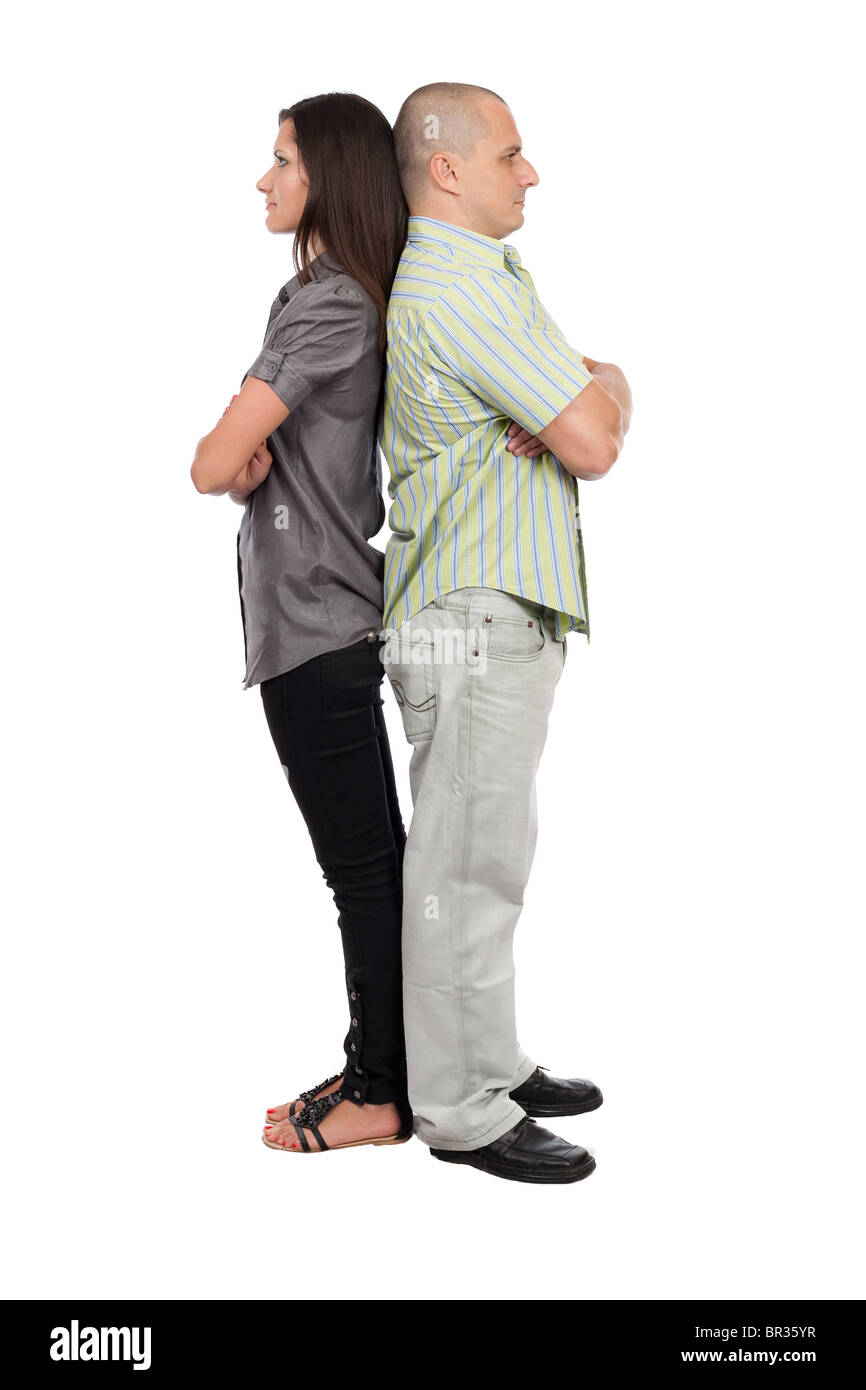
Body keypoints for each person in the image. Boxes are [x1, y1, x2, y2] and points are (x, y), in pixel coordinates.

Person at [377, 82, 633, 1183]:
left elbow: (580, 413)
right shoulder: (456, 285)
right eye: (511, 154)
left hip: (485, 607)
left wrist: (591, 393)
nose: (528, 173)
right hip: (470, 613)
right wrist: (604, 386)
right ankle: (461, 1109)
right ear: (446, 169)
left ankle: (484, 1057)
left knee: (485, 854)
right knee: (464, 862)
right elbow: (591, 436)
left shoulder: (477, 279)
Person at [191, 93, 414, 1155]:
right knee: (369, 863)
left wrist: (236, 449)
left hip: (317, 627)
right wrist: (237, 451)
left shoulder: (326, 308)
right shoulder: (316, 298)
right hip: (313, 624)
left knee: (364, 869)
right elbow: (229, 458)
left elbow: (209, 462)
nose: (263, 178)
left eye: (280, 159)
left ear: (324, 174)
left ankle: (381, 1088)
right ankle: (378, 1065)